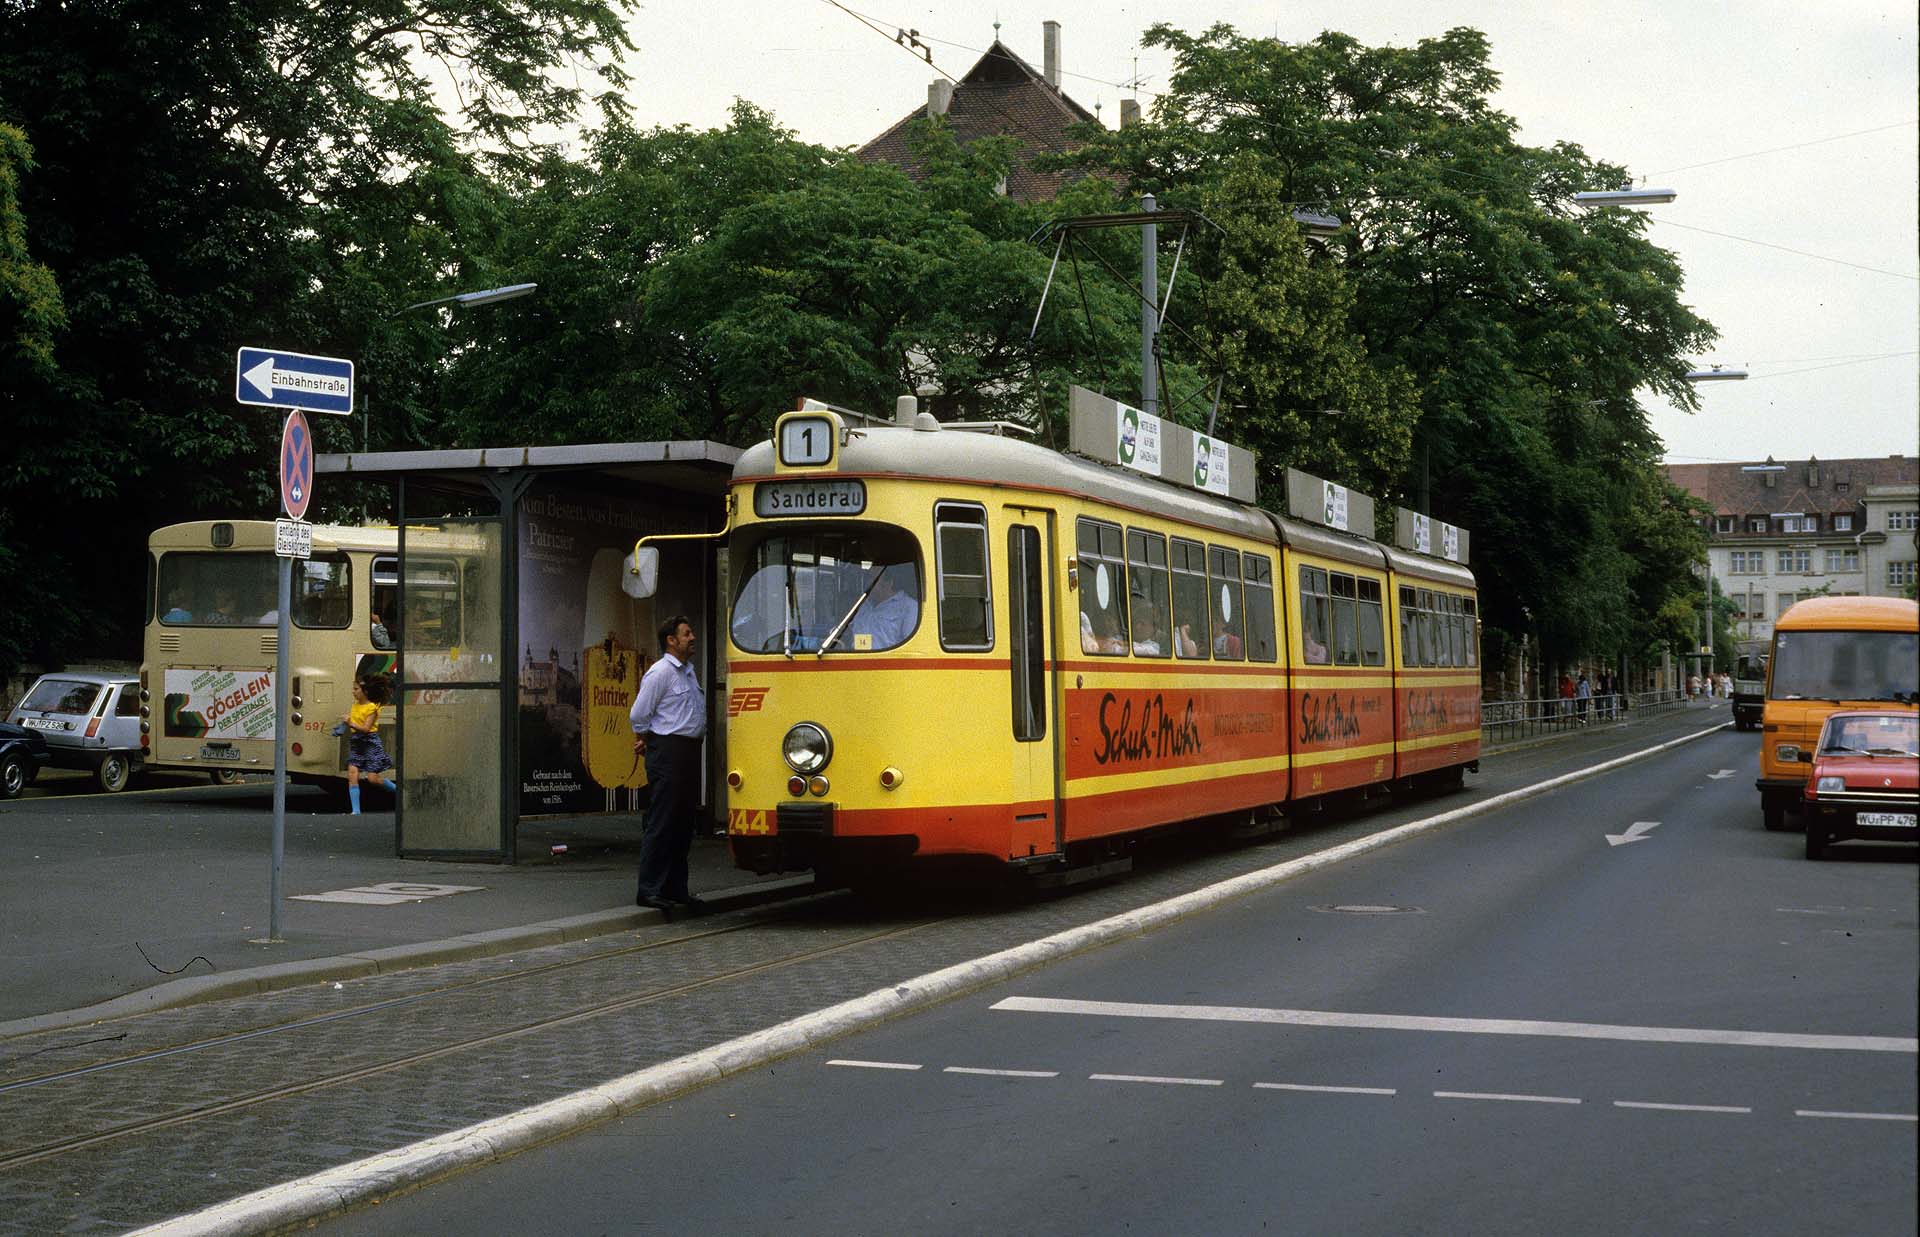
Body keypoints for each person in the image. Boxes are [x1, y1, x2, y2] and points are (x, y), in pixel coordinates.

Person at [629, 616, 708, 916]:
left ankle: (675, 888)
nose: (693, 637)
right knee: (662, 821)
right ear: (671, 641)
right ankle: (649, 889)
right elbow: (639, 714)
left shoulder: (688, 672)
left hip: (687, 752)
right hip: (669, 752)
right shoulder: (660, 672)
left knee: (682, 825)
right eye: (686, 634)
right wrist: (647, 738)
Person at [340, 673, 397, 814]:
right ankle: (356, 810)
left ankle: (400, 792)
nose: (353, 692)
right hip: (357, 742)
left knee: (372, 779)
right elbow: (354, 724)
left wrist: (350, 723)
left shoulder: (372, 708)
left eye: (356, 689)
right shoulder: (355, 706)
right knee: (352, 775)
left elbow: (366, 728)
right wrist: (342, 727)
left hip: (370, 742)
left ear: (365, 691)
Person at [849, 565, 917, 648]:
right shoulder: (863, 606)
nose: (868, 583)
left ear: (888, 583)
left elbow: (911, 647)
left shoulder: (909, 608)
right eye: (868, 578)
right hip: (857, 658)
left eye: (873, 579)